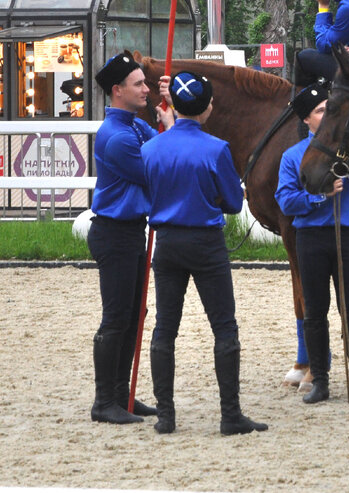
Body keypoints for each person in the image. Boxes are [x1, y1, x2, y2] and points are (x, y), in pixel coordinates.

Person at [141, 71, 267, 435]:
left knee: (165, 328)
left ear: (175, 107)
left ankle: (166, 415)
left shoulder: (151, 148)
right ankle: (230, 415)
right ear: (207, 107)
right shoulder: (217, 149)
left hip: (167, 242)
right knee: (224, 327)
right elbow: (231, 202)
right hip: (207, 244)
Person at [275, 82, 349, 405]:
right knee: (315, 312)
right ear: (306, 121)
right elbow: (285, 201)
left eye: (328, 108)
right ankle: (321, 382)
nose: (326, 114)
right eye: (319, 111)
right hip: (311, 238)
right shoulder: (292, 157)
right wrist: (318, 197)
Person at [87, 52, 171, 425]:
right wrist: (168, 125)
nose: (146, 89)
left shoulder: (133, 127)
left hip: (131, 231)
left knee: (134, 316)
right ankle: (105, 401)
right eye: (139, 84)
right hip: (115, 233)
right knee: (117, 318)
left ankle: (122, 394)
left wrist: (168, 114)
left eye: (146, 82)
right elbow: (158, 171)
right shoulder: (118, 136)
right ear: (118, 91)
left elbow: (164, 146)